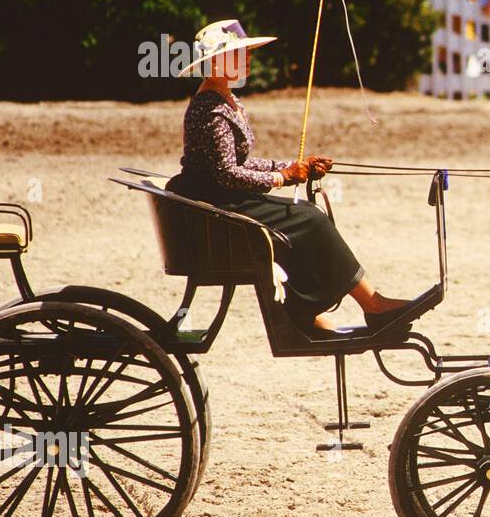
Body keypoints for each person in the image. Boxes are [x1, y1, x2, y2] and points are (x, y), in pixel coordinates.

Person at [168, 19, 417, 336]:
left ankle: (305, 309)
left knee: (306, 218)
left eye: (246, 53)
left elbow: (242, 162)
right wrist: (283, 177)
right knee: (310, 220)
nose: (247, 59)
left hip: (225, 200)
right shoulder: (210, 108)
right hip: (218, 207)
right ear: (216, 61)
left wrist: (296, 166)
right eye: (238, 54)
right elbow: (227, 173)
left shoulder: (225, 100)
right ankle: (372, 305)